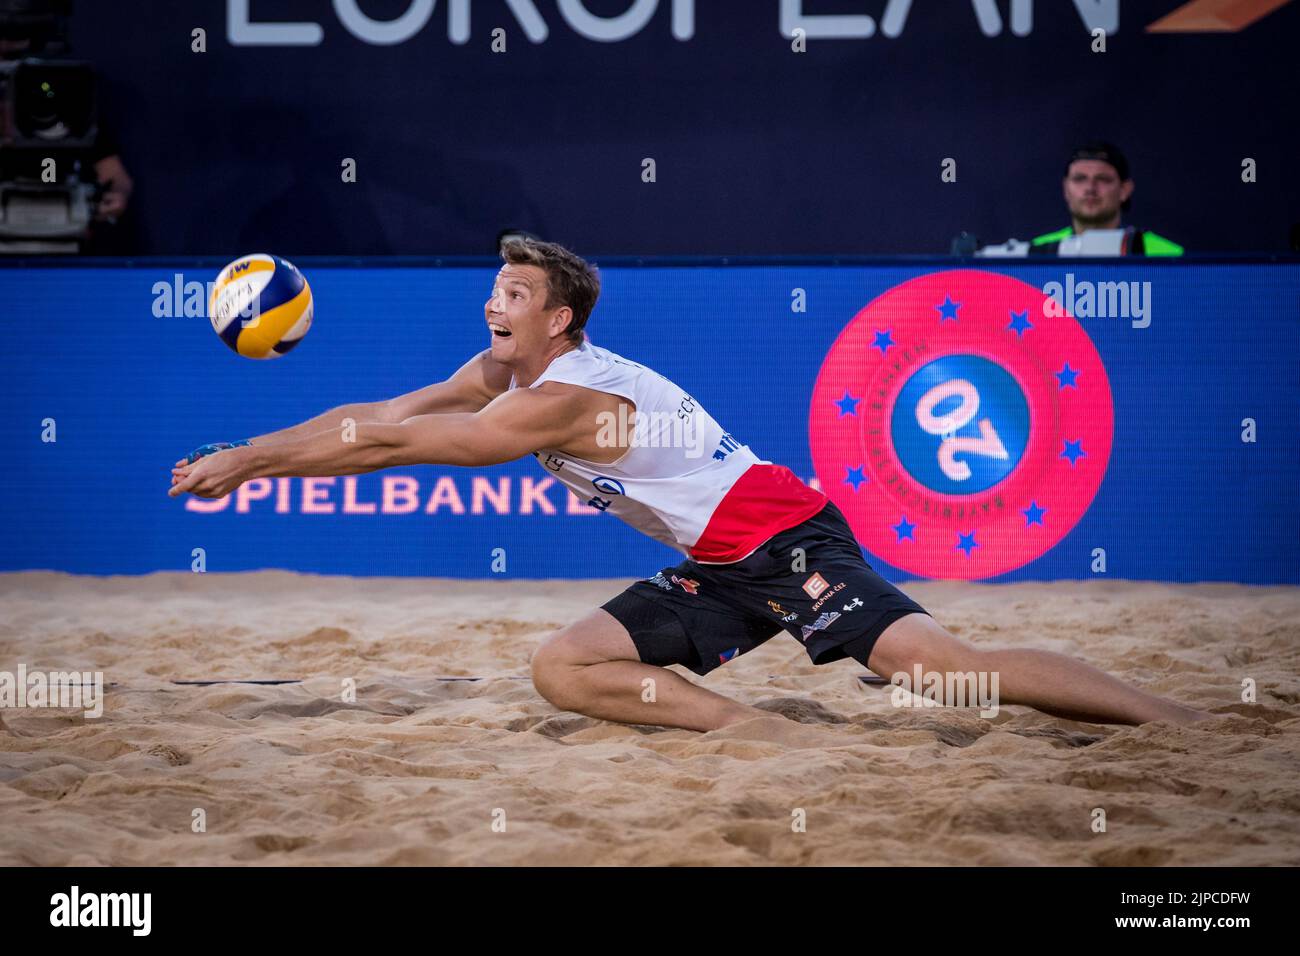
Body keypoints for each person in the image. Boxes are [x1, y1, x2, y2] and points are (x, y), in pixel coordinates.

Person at [170, 238, 1209, 733]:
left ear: (559, 319)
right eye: (495, 288)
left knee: (940, 670)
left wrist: (247, 464)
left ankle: (1175, 717)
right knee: (563, 666)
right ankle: (758, 735)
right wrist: (246, 445)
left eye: (515, 294)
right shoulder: (506, 371)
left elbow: (396, 451)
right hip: (715, 562)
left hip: (785, 539)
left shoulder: (561, 398)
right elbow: (380, 419)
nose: (493, 304)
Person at [1031, 142, 1182, 256]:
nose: (1090, 188)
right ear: (1065, 188)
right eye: (1079, 179)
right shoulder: (1037, 253)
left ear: (1124, 190)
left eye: (1103, 179)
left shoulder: (1168, 255)